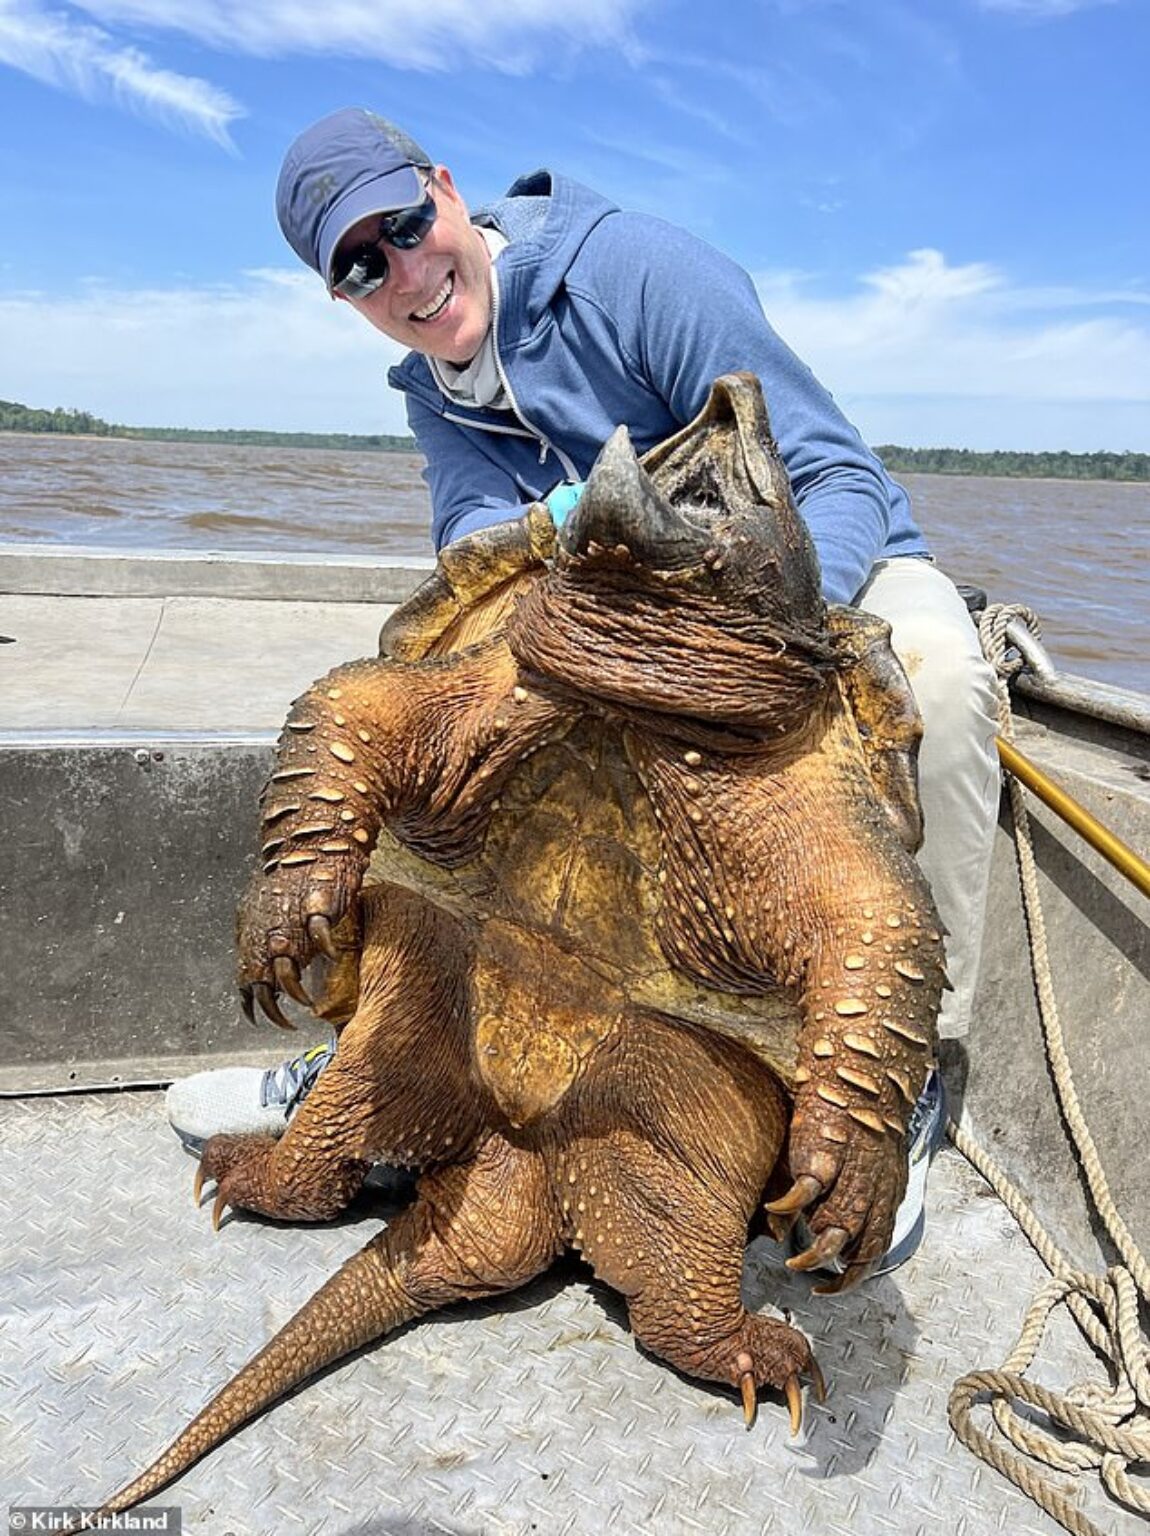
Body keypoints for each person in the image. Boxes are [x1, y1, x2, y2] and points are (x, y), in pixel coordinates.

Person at [167, 107, 1001, 1273]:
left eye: (405, 226)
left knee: (948, 678)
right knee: (418, 680)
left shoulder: (632, 274)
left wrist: (778, 637)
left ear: (446, 191)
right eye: (359, 264)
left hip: (790, 594)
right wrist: (543, 603)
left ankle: (904, 1076)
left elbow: (828, 469)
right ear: (338, 292)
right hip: (595, 630)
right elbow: (470, 545)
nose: (404, 272)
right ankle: (385, 1047)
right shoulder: (431, 383)